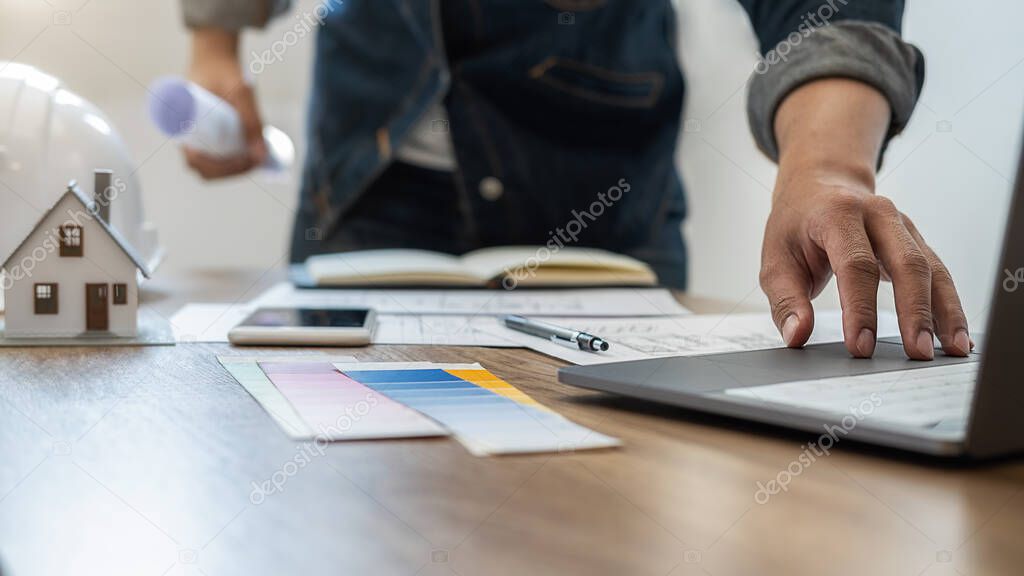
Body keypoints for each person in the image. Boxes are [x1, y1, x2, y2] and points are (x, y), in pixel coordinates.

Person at [179, 0, 972, 361]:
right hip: (368, 195)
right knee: (357, 490)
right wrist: (214, 50)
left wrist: (827, 166)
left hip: (600, 207)